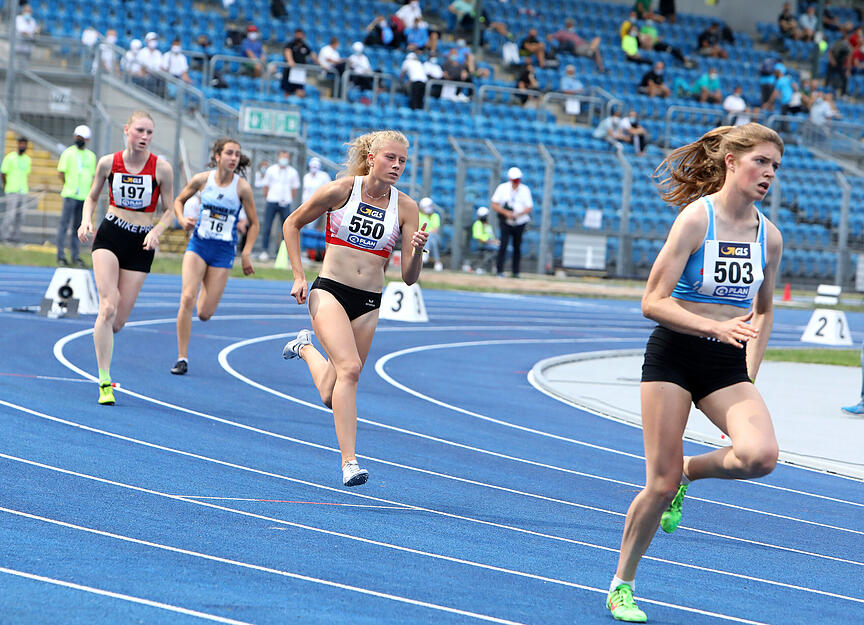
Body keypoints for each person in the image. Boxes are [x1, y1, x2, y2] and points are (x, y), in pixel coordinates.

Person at [606, 123, 783, 622]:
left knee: (760, 456)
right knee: (657, 485)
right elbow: (652, 302)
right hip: (675, 357)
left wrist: (748, 367)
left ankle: (691, 471)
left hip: (726, 361)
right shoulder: (694, 220)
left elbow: (765, 310)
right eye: (760, 162)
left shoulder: (768, 236)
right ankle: (623, 584)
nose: (768, 173)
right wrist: (712, 325)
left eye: (775, 166)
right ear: (731, 161)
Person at [280, 130, 428, 487]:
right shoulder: (341, 190)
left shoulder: (405, 207)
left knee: (333, 393)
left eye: (403, 161)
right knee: (351, 369)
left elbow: (408, 278)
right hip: (330, 290)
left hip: (367, 301)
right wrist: (299, 276)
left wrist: (418, 250)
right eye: (390, 158)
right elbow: (292, 223)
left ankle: (303, 348)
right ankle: (349, 462)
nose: (396, 166)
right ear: (372, 158)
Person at [77, 110, 175, 405]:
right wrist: (86, 220)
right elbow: (92, 196)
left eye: (149, 133)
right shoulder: (108, 162)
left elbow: (170, 210)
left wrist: (157, 231)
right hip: (111, 234)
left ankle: (102, 335)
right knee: (107, 308)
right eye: (140, 131)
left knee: (117, 322)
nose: (144, 137)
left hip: (141, 244)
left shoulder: (162, 169)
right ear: (127, 130)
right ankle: (104, 380)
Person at [170, 138, 259, 375]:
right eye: (229, 153)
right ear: (217, 156)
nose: (233, 158)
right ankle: (182, 358)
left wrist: (247, 252)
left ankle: (202, 288)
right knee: (187, 298)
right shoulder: (202, 180)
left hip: (223, 252)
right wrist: (181, 219)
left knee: (205, 313)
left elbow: (255, 224)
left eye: (237, 155)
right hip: (198, 245)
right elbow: (178, 201)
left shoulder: (241, 188)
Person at [57, 125, 98, 267]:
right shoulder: (68, 153)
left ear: (87, 139)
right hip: (69, 194)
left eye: (82, 138)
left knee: (79, 228)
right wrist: (67, 185)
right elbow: (61, 172)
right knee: (64, 226)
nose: (80, 140)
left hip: (84, 197)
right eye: (78, 137)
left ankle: (75, 256)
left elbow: (93, 176)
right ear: (75, 137)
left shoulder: (91, 156)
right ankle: (61, 255)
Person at [491, 166, 532, 278]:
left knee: (517, 247)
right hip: (505, 221)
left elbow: (529, 207)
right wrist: (506, 212)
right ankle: (499, 270)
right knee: (503, 245)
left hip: (520, 222)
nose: (516, 183)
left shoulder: (525, 190)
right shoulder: (502, 188)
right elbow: (494, 203)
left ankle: (516, 271)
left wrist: (518, 214)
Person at [258, 151, 300, 260]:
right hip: (272, 200)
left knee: (286, 228)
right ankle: (264, 251)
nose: (284, 159)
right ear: (278, 157)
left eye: (286, 157)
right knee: (267, 227)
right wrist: (268, 197)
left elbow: (294, 189)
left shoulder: (293, 172)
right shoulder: (271, 170)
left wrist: (288, 199)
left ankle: (283, 253)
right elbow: (266, 186)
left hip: (285, 202)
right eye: (282, 157)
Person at [1, 137, 31, 244]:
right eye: (21, 144)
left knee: (21, 216)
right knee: (10, 215)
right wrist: (6, 185)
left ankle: (15, 238)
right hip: (12, 190)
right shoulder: (10, 157)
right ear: (17, 144)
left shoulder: (27, 159)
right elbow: (3, 173)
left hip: (23, 191)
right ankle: (4, 237)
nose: (23, 146)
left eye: (25, 144)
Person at [282, 29, 317, 98]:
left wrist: (321, 64)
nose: (299, 36)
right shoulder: (291, 44)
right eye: (297, 34)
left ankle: (297, 105)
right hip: (290, 72)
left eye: (300, 34)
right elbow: (287, 51)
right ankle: (286, 105)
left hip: (300, 73)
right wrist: (290, 61)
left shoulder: (305, 46)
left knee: (300, 92)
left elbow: (312, 55)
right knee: (288, 91)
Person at [303, 157, 332, 231]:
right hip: (306, 204)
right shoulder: (306, 177)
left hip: (320, 204)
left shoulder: (324, 176)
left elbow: (328, 189)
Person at [470, 205, 498, 274]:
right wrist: (491, 242)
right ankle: (482, 266)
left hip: (490, 243)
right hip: (483, 244)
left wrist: (495, 241)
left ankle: (494, 265)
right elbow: (479, 238)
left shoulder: (488, 225)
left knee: (508, 249)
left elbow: (491, 236)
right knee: (497, 249)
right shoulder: (478, 224)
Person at [419, 197, 443, 271]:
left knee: (430, 237)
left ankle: (425, 252)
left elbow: (435, 230)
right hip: (421, 237)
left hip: (432, 237)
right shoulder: (418, 215)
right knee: (432, 242)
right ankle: (437, 262)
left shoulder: (435, 216)